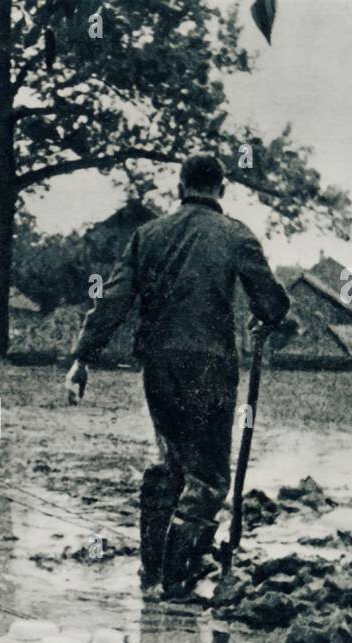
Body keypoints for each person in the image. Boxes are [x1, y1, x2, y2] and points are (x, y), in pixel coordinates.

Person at [65, 154, 289, 598]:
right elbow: (273, 303)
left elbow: (111, 301)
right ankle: (177, 577)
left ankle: (151, 573)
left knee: (171, 465)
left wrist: (82, 358)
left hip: (159, 366)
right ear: (222, 189)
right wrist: (265, 319)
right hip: (211, 365)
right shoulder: (236, 235)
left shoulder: (146, 235)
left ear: (180, 185)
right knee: (206, 475)